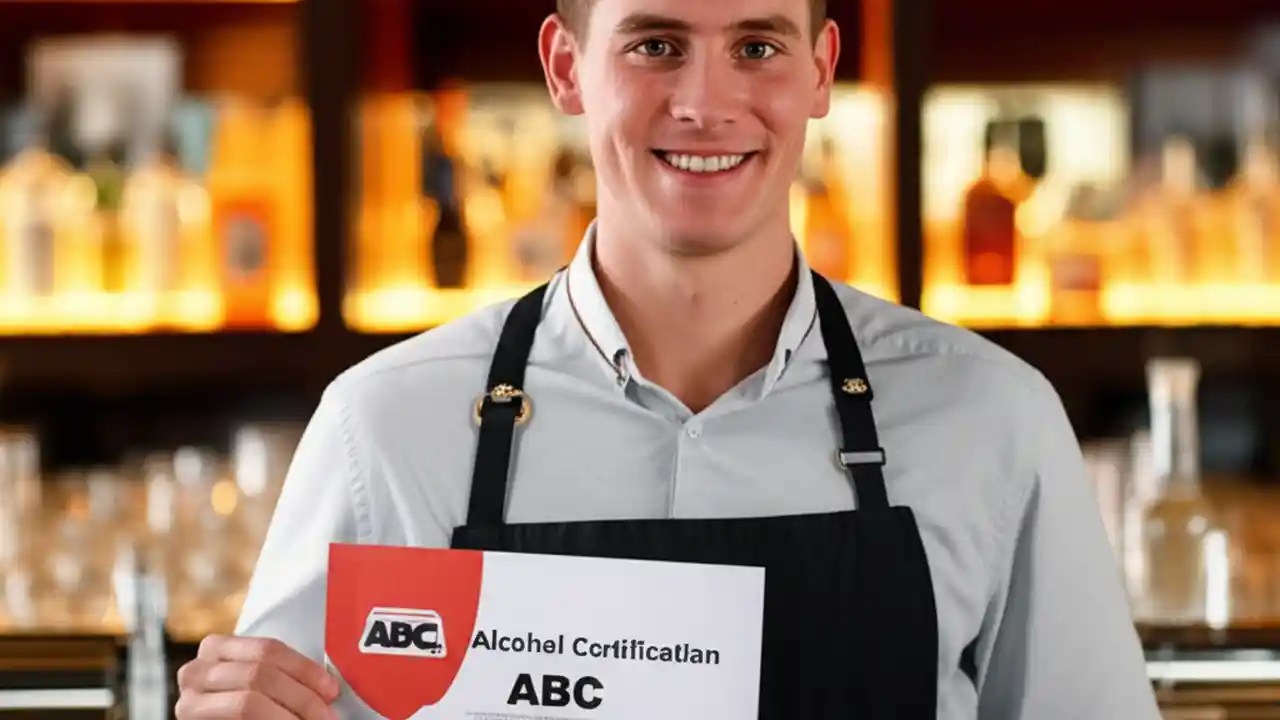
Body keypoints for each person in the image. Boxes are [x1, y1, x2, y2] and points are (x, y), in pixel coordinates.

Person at [175, 0, 1161, 717]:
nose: (705, 102)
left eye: (756, 47)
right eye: (655, 44)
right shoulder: (385, 428)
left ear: (819, 71)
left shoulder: (991, 417)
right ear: (565, 67)